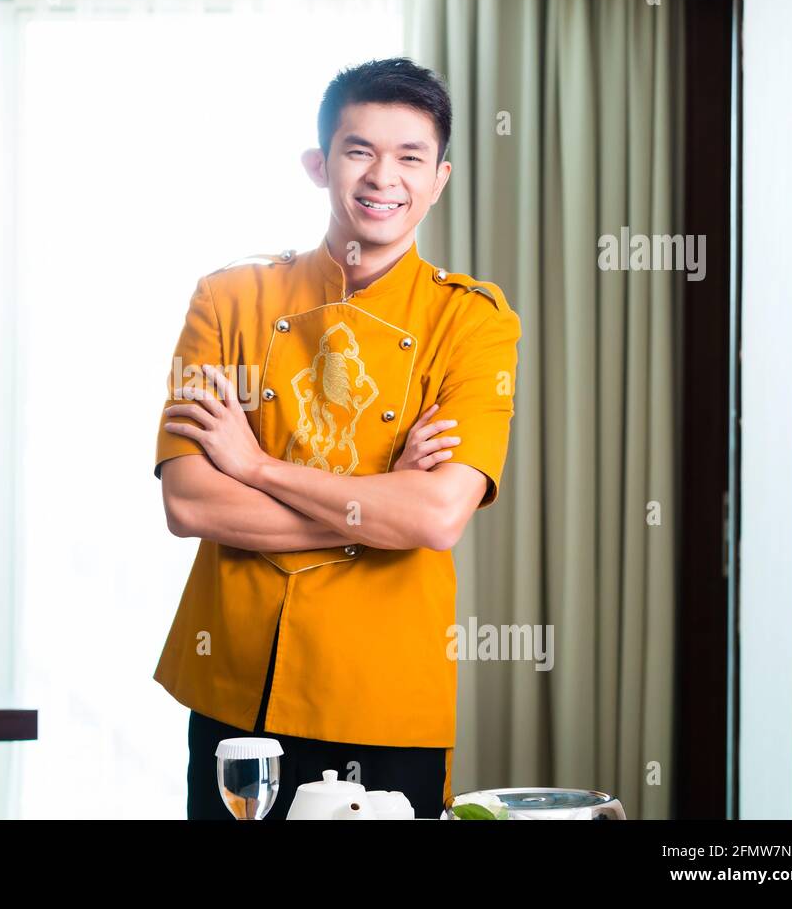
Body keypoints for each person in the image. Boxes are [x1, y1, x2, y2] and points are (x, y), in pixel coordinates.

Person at [153, 57, 521, 819]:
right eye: (360, 151)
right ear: (319, 165)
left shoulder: (474, 322)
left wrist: (254, 466)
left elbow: (434, 518)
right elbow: (190, 503)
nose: (383, 177)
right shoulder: (227, 301)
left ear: (439, 177)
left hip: (383, 693)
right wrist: (381, 503)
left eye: (410, 157)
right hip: (240, 685)